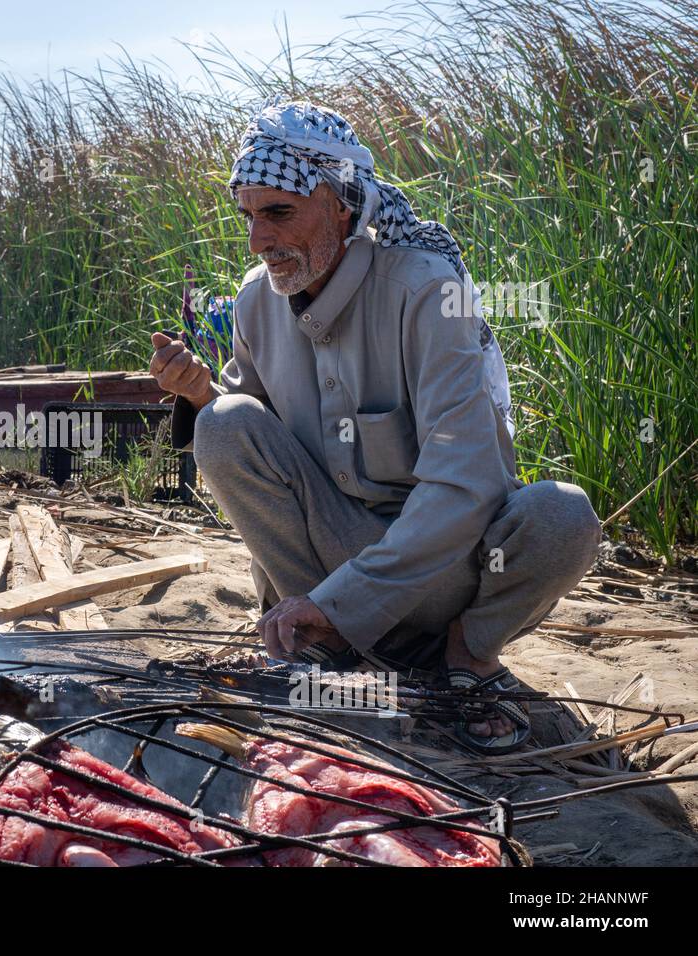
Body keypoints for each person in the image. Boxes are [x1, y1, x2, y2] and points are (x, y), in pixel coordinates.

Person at [150, 100, 600, 753]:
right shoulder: (256, 300)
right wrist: (198, 392)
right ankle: (325, 651)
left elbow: (466, 486)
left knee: (563, 514)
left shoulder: (425, 291)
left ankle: (467, 661)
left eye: (278, 213)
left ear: (342, 206)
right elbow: (260, 447)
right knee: (221, 422)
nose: (257, 241)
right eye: (248, 216)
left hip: (447, 573)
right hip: (322, 567)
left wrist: (345, 603)